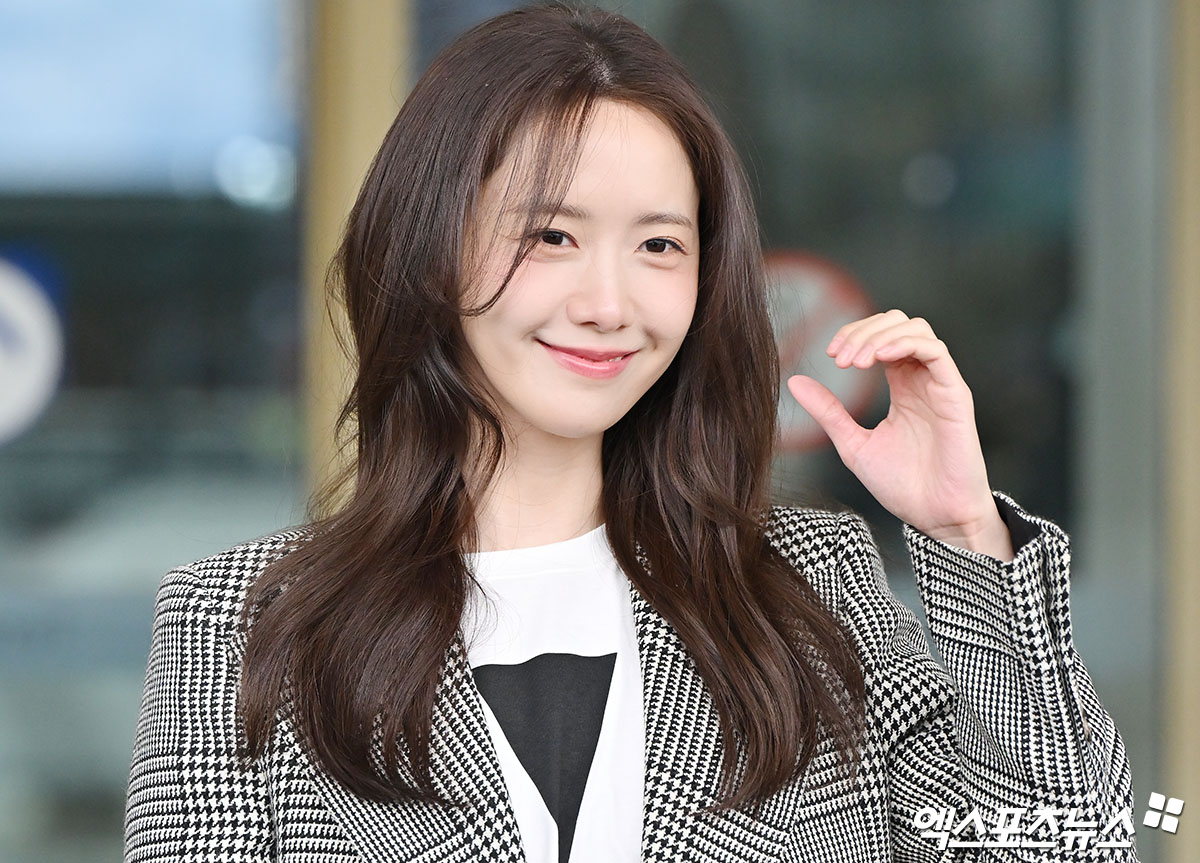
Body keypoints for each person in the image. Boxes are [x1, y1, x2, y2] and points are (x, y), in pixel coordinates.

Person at [122, 3, 1138, 861]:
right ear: (429, 247)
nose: (609, 304)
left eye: (659, 245)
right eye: (551, 235)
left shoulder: (807, 591)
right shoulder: (241, 628)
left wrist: (965, 533)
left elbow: (1067, 842)